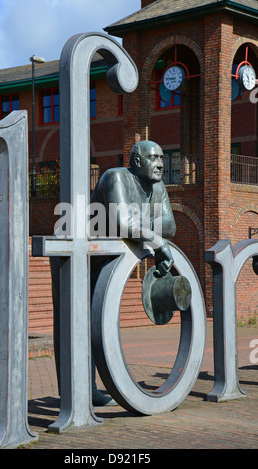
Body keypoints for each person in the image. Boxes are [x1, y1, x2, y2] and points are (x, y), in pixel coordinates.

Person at [90, 140, 176, 405]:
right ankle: (82, 390)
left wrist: (138, 222)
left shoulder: (157, 186)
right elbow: (120, 222)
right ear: (137, 161)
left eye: (163, 158)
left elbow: (170, 225)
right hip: (84, 255)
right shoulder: (115, 177)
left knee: (96, 322)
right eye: (154, 158)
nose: (161, 163)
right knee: (77, 323)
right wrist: (156, 239)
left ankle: (87, 391)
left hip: (113, 261)